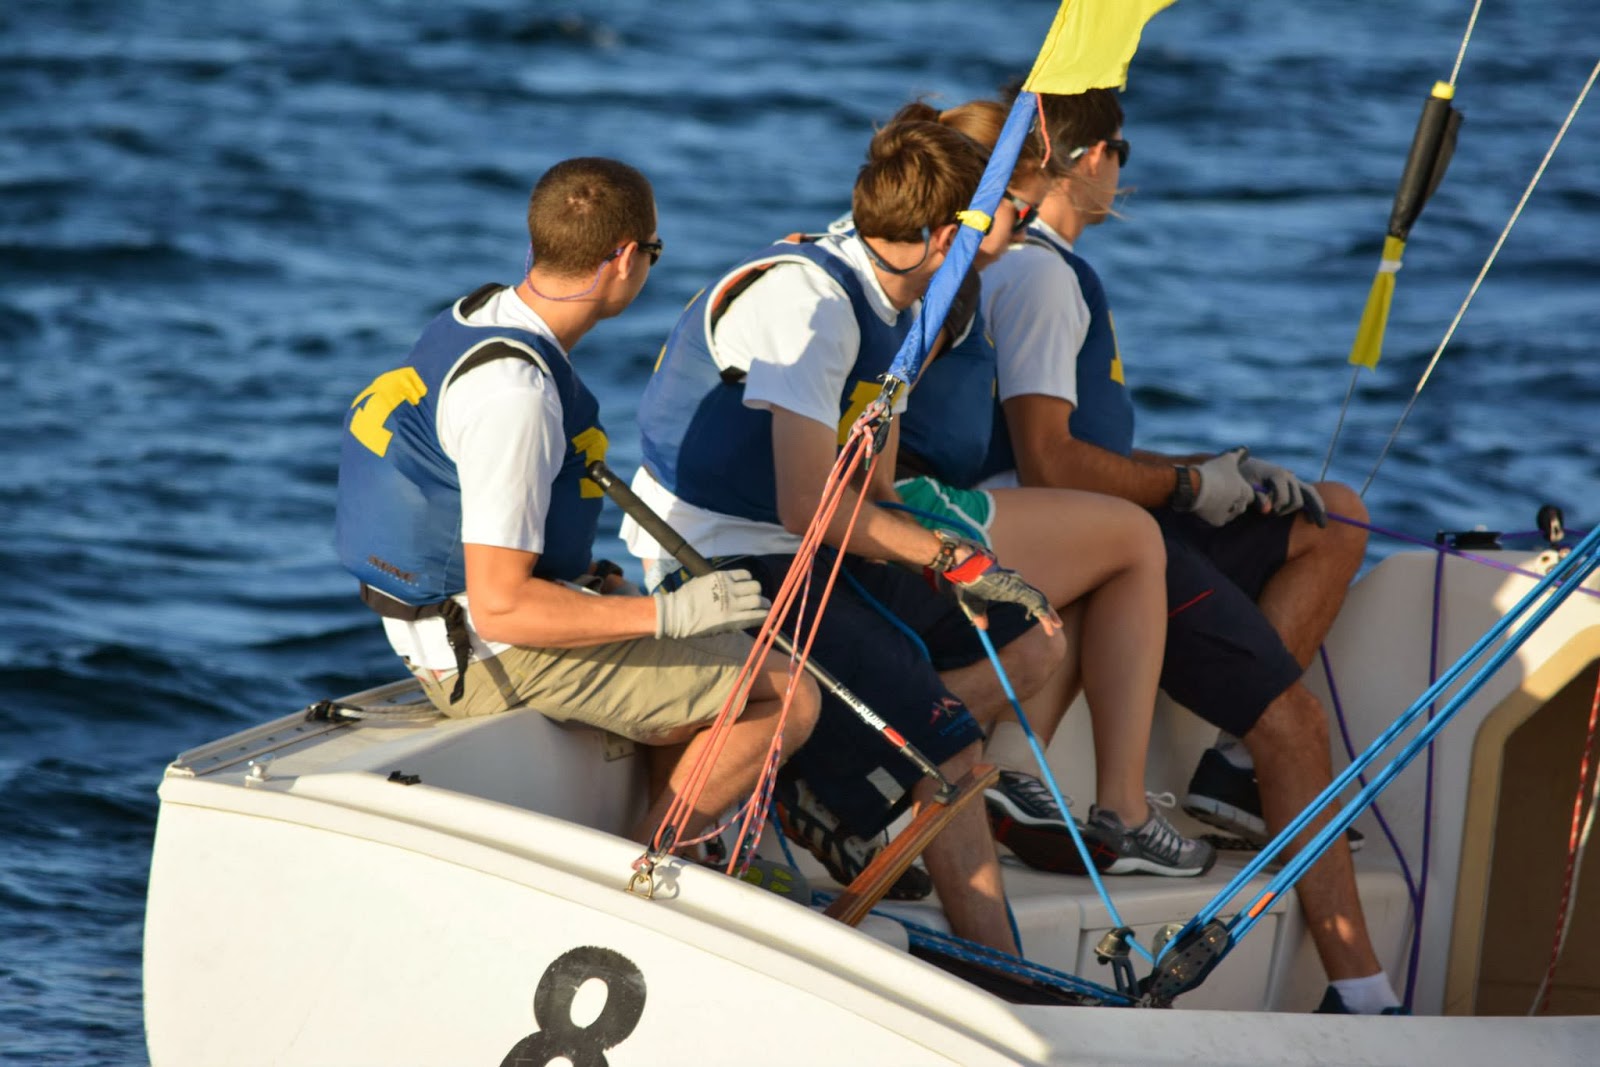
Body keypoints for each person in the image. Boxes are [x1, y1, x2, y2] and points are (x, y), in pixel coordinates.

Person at [963, 86, 1401, 1013]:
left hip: (1122, 513)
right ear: (1086, 159)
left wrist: (1212, 468)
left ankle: (1232, 772)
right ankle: (1363, 997)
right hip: (1107, 544)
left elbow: (1089, 448)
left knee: (1334, 515)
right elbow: (1046, 459)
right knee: (1300, 727)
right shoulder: (1039, 277)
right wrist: (1190, 488)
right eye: (1120, 149)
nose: (1126, 168)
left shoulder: (1040, 270)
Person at [623, 112, 1065, 954]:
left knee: (1030, 639)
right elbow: (805, 507)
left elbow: (873, 481)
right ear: (944, 237)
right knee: (955, 752)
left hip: (806, 537)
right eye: (988, 220)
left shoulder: (899, 298)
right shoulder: (816, 309)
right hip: (723, 550)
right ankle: (1002, 973)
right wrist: (947, 556)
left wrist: (960, 557)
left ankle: (835, 789)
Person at [334, 157, 819, 858]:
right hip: (485, 653)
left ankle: (693, 845)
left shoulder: (476, 315)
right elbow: (501, 606)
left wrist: (594, 590)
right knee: (791, 695)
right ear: (624, 260)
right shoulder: (516, 397)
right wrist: (667, 613)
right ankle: (651, 873)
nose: (649, 265)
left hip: (448, 628)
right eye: (653, 252)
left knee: (721, 653)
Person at [877, 100, 1215, 878]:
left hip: (921, 498)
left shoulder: (954, 278)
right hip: (908, 512)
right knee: (1131, 539)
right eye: (1015, 207)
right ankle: (1120, 808)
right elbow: (1039, 458)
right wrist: (1192, 485)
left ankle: (1006, 773)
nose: (1024, 222)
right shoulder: (967, 286)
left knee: (1101, 549)